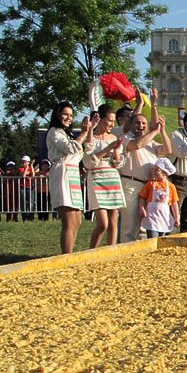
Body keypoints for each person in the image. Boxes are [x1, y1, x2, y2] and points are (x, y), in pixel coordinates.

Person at [116, 89, 171, 242]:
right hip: (131, 184)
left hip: (149, 187)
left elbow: (167, 150)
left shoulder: (151, 143)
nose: (140, 126)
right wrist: (154, 130)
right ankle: (126, 253)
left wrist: (162, 131)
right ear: (131, 124)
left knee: (145, 223)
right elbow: (137, 144)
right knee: (129, 225)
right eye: (137, 123)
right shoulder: (126, 138)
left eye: (143, 124)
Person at [46, 101, 92, 253]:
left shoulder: (68, 134)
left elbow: (80, 151)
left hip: (72, 174)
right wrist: (84, 133)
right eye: (65, 114)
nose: (68, 118)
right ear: (58, 114)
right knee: (69, 220)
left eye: (71, 115)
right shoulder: (54, 132)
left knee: (77, 220)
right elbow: (70, 148)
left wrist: (89, 130)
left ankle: (70, 252)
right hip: (62, 173)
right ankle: (66, 255)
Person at [83, 104, 126, 248]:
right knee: (102, 223)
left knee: (114, 220)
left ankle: (111, 252)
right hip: (96, 178)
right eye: (109, 121)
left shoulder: (113, 137)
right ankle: (92, 252)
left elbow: (118, 162)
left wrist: (115, 152)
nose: (112, 124)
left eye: (113, 121)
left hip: (112, 177)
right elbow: (89, 161)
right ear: (100, 119)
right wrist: (108, 148)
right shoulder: (91, 138)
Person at [138, 158, 180, 238]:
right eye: (153, 169)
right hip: (151, 218)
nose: (153, 172)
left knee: (161, 240)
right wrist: (142, 208)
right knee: (152, 239)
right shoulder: (150, 184)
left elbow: (174, 203)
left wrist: (176, 217)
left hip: (164, 218)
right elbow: (142, 197)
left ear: (164, 173)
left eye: (156, 170)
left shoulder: (171, 187)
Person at [18, 156, 35, 221]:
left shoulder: (30, 168)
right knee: (23, 203)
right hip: (23, 187)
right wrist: (26, 168)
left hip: (30, 187)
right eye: (22, 161)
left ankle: (31, 218)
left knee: (31, 203)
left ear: (28, 162)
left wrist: (31, 166)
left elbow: (33, 175)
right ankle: (24, 218)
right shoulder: (20, 169)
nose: (23, 163)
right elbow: (23, 175)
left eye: (25, 162)